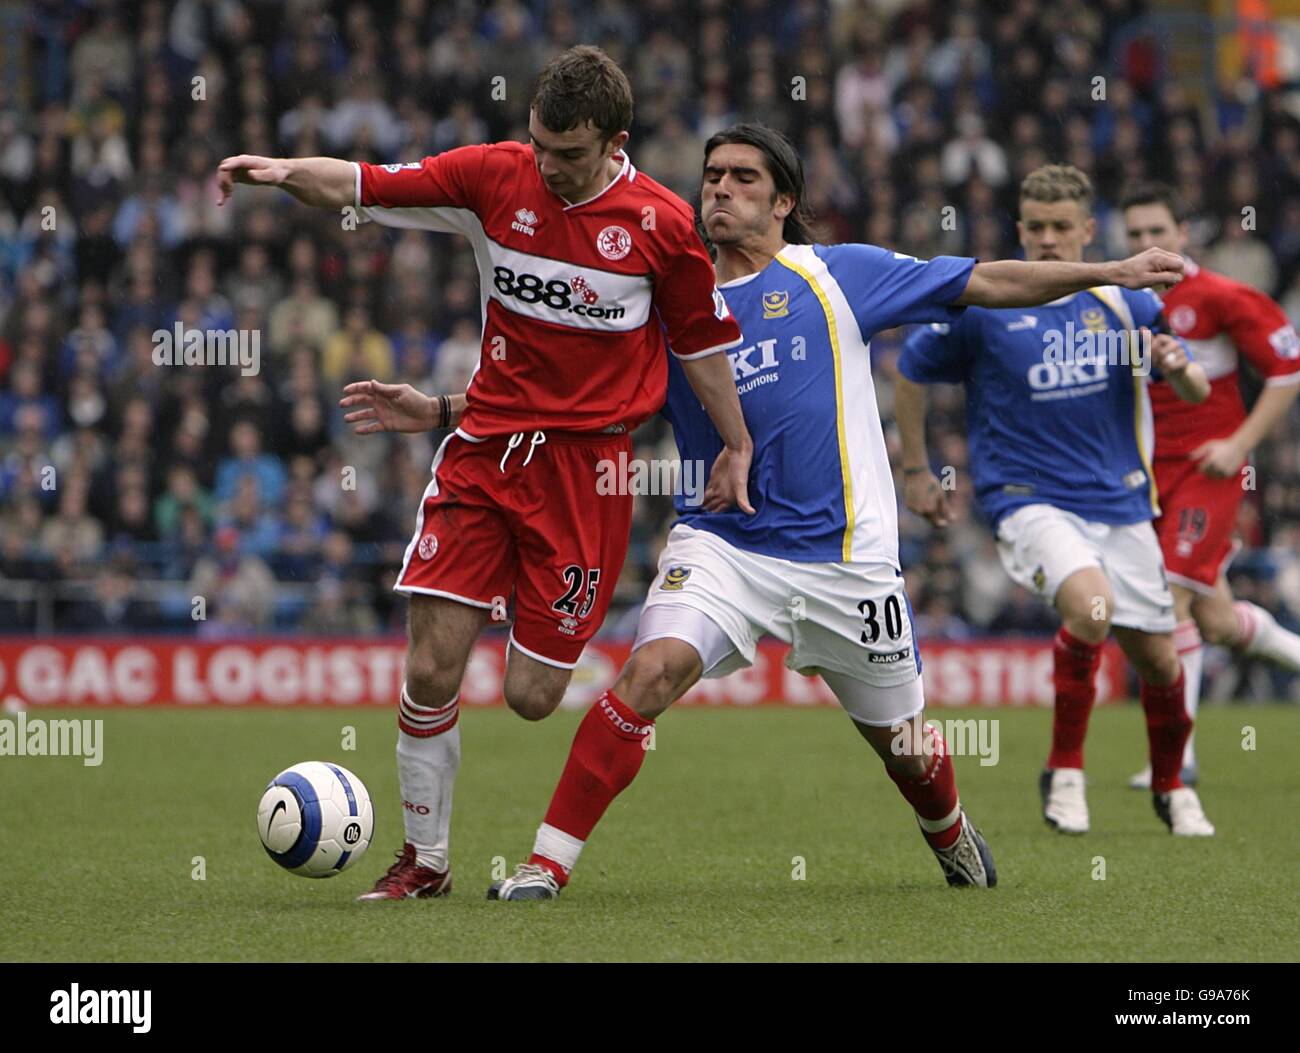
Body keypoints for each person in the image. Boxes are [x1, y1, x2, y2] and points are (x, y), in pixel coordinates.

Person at [344, 124, 1184, 900]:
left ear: (783, 201)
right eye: (711, 176)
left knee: (907, 749)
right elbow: (571, 398)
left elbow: (986, 278)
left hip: (845, 557)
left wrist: (1107, 272)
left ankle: (949, 829)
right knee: (648, 673)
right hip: (724, 544)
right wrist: (449, 408)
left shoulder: (839, 273)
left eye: (744, 178)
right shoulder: (668, 292)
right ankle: (544, 865)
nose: (720, 190)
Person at [218, 45, 752, 900]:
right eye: (539, 144)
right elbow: (364, 185)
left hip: (589, 478)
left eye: (569, 154)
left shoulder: (661, 227)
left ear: (616, 142)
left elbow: (698, 346)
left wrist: (737, 443)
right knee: (430, 668)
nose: (548, 165)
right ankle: (424, 863)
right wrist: (283, 171)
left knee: (534, 695)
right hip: (483, 454)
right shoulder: (496, 179)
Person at [897, 164, 1216, 837]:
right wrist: (918, 470)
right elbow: (912, 370)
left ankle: (1170, 787)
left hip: (1123, 505)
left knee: (1160, 660)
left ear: (1087, 232)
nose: (1046, 240)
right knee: (1090, 605)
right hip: (1028, 499)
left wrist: (1181, 367)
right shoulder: (986, 304)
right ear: (1019, 229)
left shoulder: (1127, 301)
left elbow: (1194, 391)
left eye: (1059, 228)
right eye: (1034, 227)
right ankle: (1065, 769)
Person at [1121, 183, 1300, 789]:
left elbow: (1287, 367)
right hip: (1144, 479)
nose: (1147, 243)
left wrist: (1240, 445)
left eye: (1156, 231)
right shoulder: (1116, 300)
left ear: (1182, 233)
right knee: (1216, 620)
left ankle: (1179, 760)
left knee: (1170, 596)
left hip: (1209, 470)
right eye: (1136, 234)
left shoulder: (1221, 296)